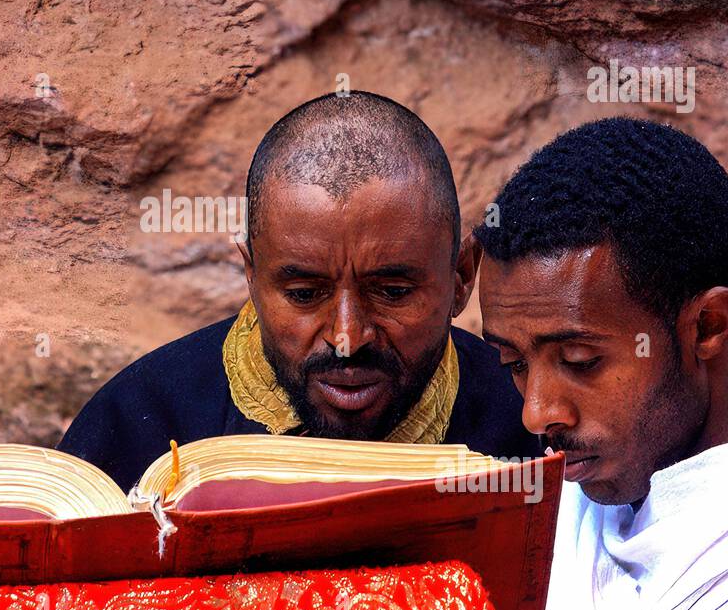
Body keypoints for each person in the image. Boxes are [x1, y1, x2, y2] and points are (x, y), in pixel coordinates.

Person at [474, 116, 728, 610]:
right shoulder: (545, 531)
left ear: (708, 326)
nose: (536, 414)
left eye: (580, 361)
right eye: (514, 362)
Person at [59, 91, 538, 491]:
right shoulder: (141, 426)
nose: (347, 337)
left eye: (392, 291)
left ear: (461, 278)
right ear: (252, 276)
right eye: (305, 294)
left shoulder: (529, 429)